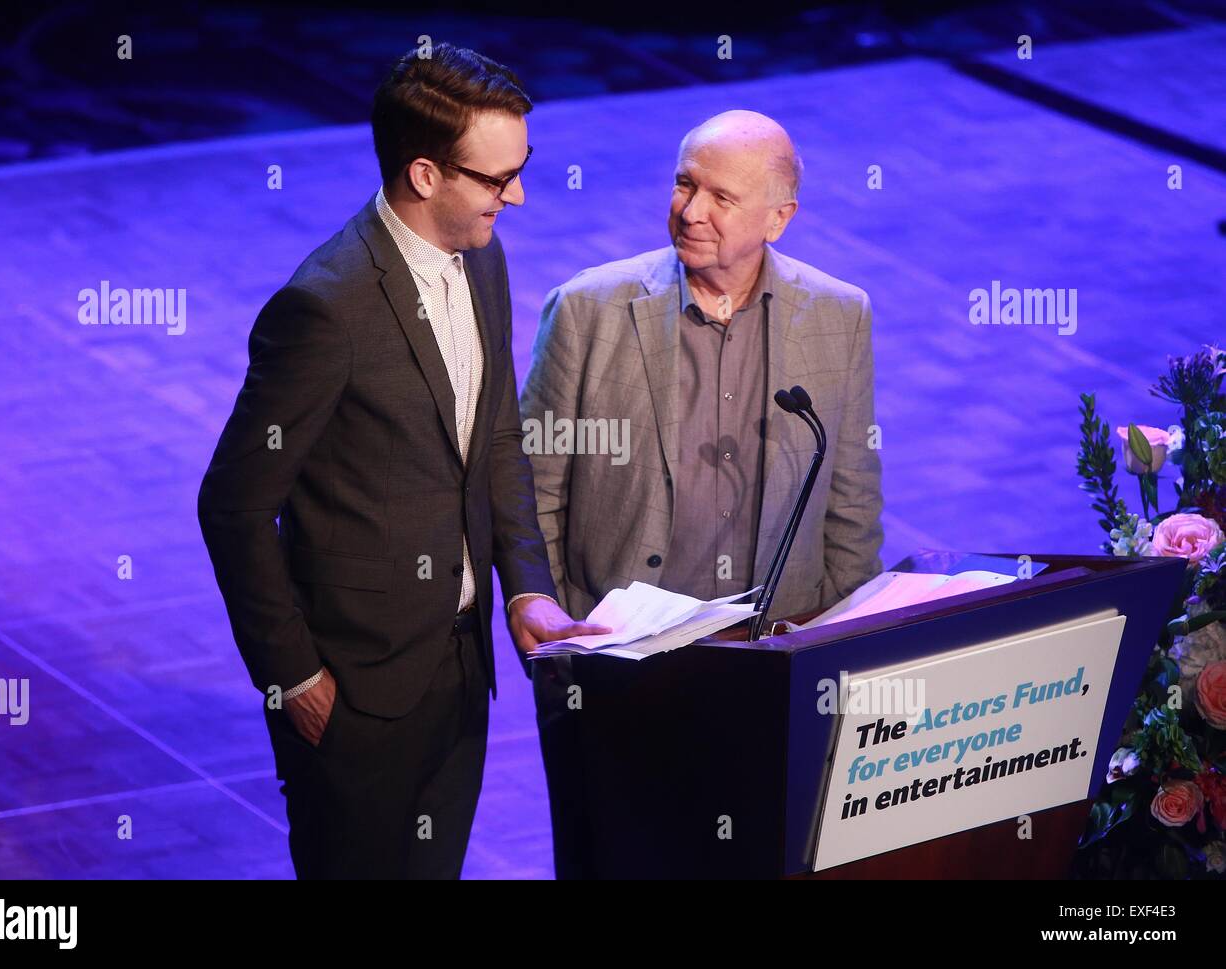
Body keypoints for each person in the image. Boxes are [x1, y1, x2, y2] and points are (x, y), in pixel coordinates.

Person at [198, 42, 605, 880]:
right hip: (354, 691)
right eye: (498, 178)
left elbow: (495, 436)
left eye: (521, 168)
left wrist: (524, 585)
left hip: (459, 672)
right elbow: (232, 504)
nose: (518, 194)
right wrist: (295, 675)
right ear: (425, 174)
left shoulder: (483, 257)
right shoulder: (325, 307)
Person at [521, 110, 885, 877]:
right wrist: (555, 641)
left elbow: (851, 496)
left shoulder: (840, 315)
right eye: (685, 183)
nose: (690, 210)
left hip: (769, 669)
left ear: (778, 219)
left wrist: (847, 653)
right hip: (619, 669)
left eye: (720, 196)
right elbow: (531, 493)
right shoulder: (588, 309)